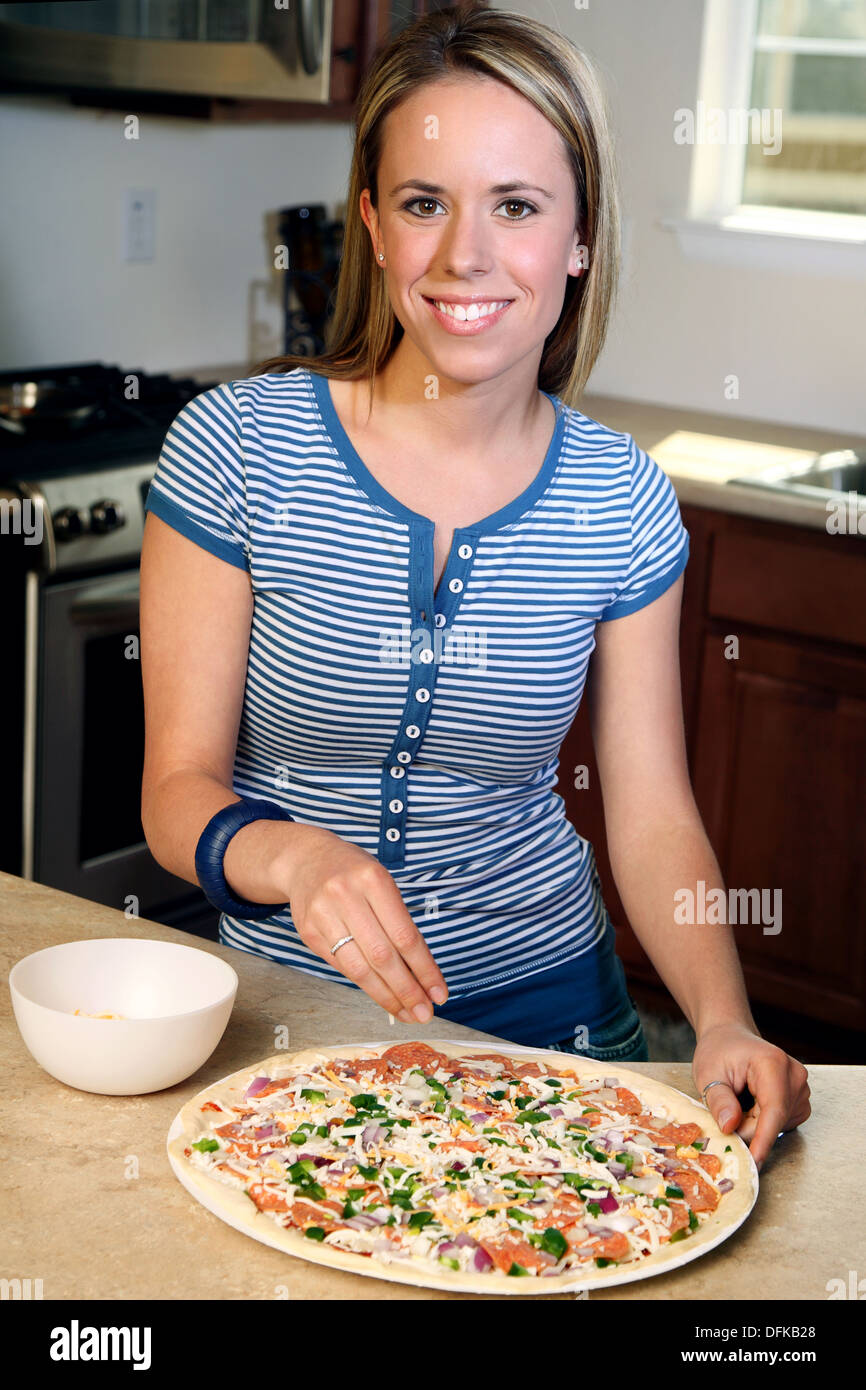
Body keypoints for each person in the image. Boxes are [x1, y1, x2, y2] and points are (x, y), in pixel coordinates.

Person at [140, 3, 809, 1173]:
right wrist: (295, 857)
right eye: (423, 203)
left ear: (579, 238)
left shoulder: (620, 499)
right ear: (371, 223)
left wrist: (719, 1017)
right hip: (288, 1030)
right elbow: (173, 792)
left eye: (515, 206)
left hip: (556, 1030)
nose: (464, 255)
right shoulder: (238, 448)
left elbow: (651, 814)